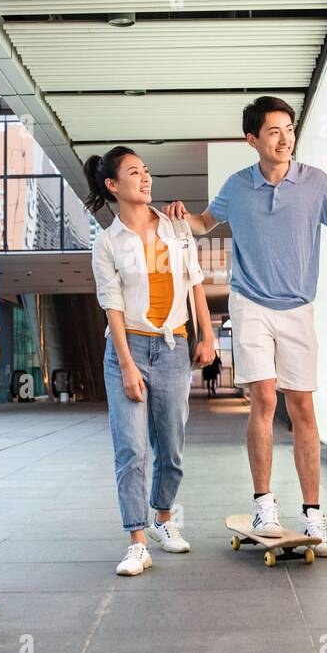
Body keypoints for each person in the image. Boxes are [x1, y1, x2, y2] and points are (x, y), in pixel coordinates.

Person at [165, 96, 327, 556]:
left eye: (289, 128)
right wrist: (180, 216)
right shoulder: (237, 185)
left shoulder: (316, 184)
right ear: (253, 139)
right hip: (249, 303)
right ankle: (264, 504)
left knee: (304, 408)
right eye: (273, 131)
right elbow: (205, 223)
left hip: (297, 308)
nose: (284, 138)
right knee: (265, 398)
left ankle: (313, 514)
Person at [86, 147, 215, 576]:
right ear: (112, 185)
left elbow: (194, 281)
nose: (145, 178)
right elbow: (113, 307)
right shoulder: (107, 243)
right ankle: (137, 540)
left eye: (146, 171)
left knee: (172, 447)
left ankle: (163, 518)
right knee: (132, 449)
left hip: (174, 346)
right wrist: (125, 364)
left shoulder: (176, 227)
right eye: (133, 173)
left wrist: (207, 334)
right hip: (130, 348)